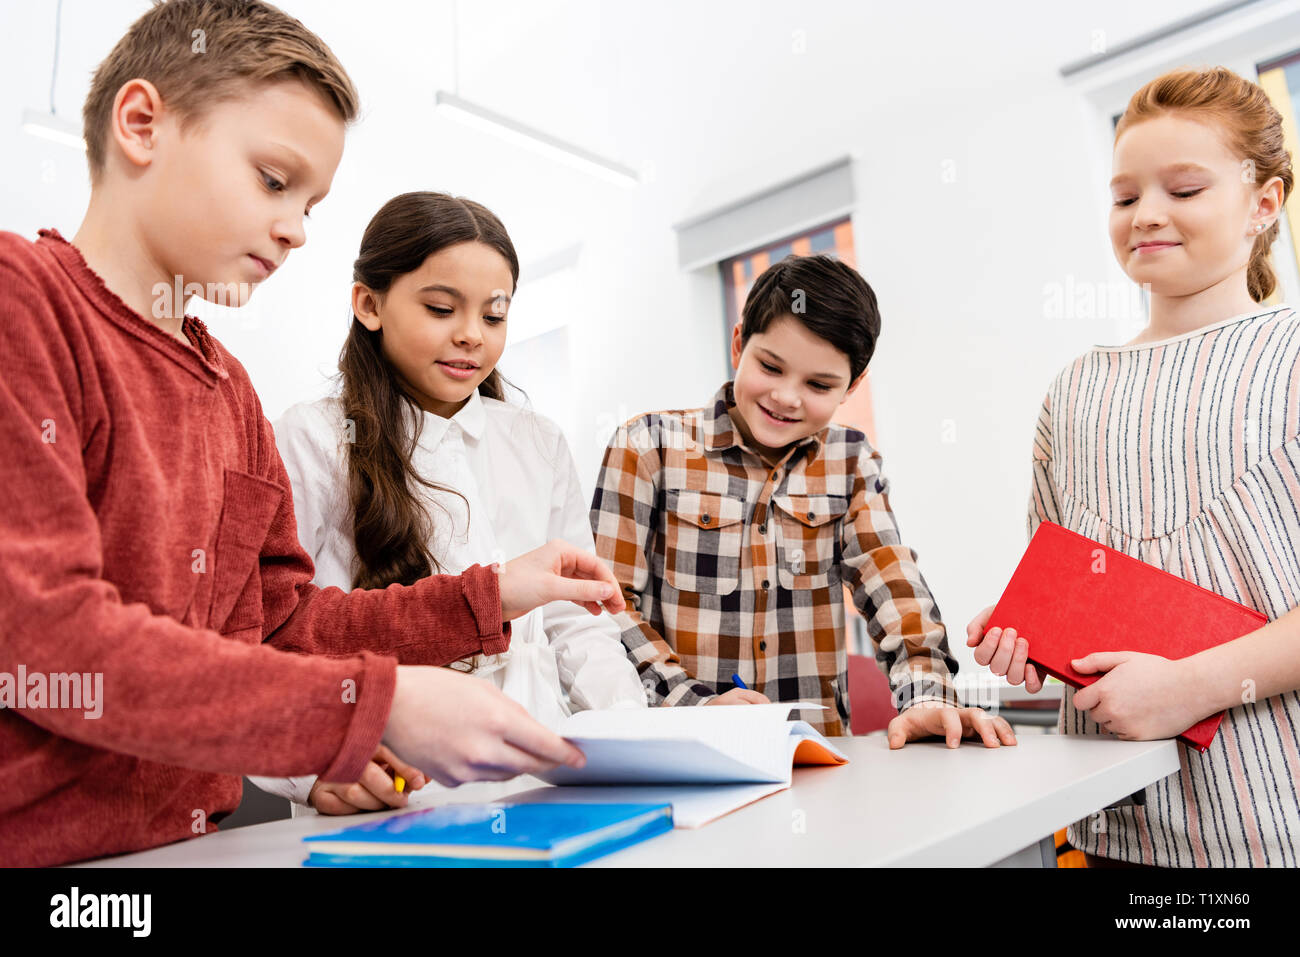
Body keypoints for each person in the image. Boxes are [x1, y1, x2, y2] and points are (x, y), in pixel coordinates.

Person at [0, 0, 622, 867]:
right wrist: (376, 705)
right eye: (272, 180)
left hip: (195, 848)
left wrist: (488, 597)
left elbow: (286, 628)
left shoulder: (230, 393)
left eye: (311, 201)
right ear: (142, 124)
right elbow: (50, 638)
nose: (296, 227)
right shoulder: (22, 304)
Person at [968, 66, 1300, 867]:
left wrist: (1192, 687)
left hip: (1275, 828)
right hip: (1109, 828)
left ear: (1265, 203)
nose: (1147, 214)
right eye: (1124, 198)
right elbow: (1070, 596)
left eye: (1184, 190)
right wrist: (1027, 641)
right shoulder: (1073, 391)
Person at [250, 192, 646, 815]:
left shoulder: (537, 442)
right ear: (369, 304)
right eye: (441, 308)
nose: (470, 335)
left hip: (544, 784)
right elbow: (279, 636)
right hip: (394, 789)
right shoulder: (311, 438)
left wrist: (632, 736)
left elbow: (578, 619)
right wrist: (312, 772)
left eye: (494, 316)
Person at [590, 253, 1016, 748]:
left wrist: (927, 697)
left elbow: (893, 587)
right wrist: (695, 706)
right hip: (683, 753)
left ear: (851, 387)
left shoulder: (851, 462)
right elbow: (606, 607)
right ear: (738, 344)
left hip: (815, 760)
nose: (787, 397)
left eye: (818, 385)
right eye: (771, 366)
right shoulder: (647, 445)